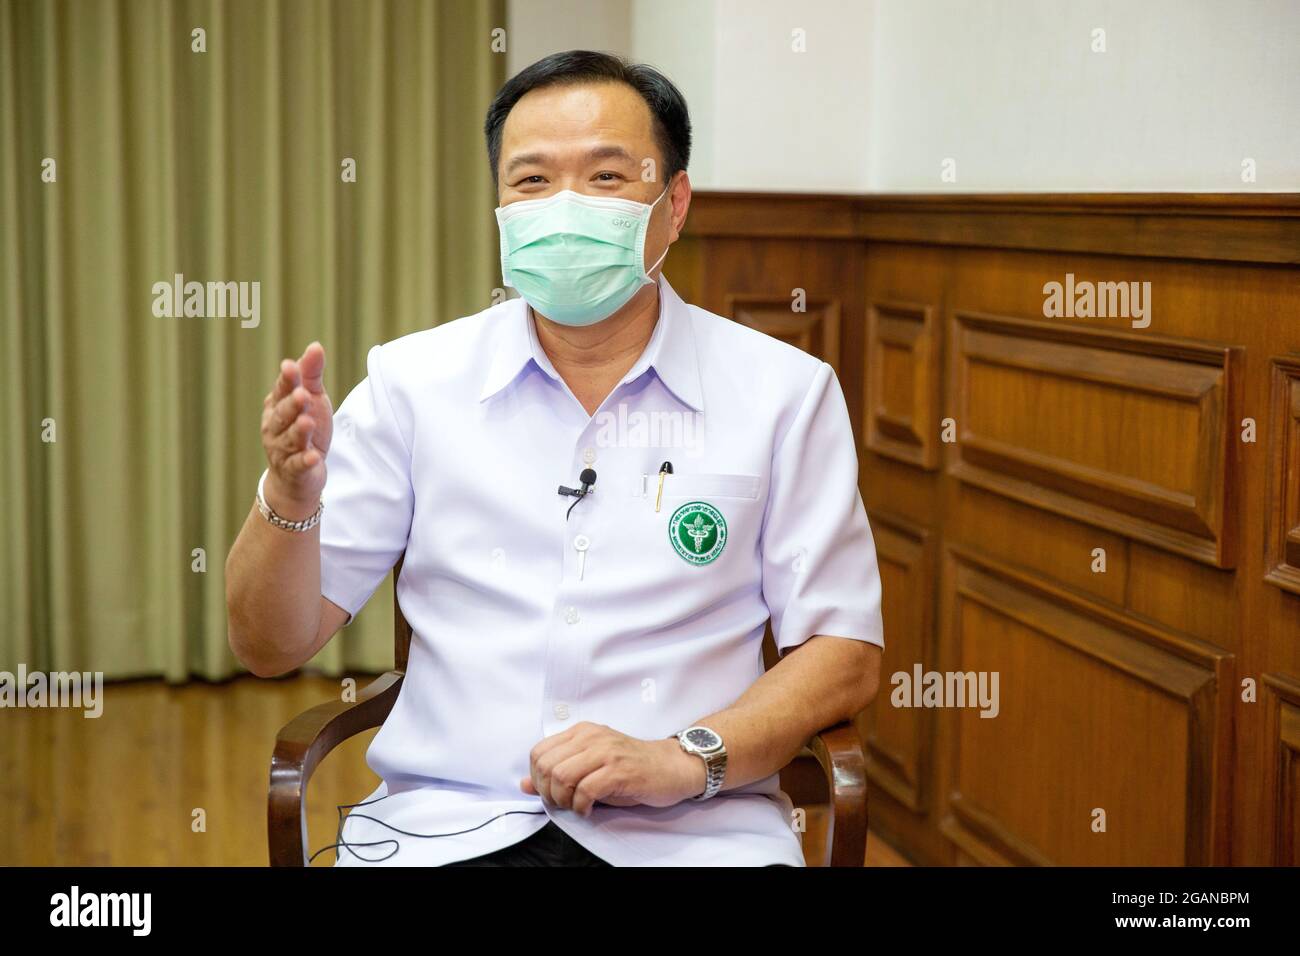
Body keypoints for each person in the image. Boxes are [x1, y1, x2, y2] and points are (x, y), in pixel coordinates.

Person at [225, 50, 884, 867]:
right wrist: (290, 494)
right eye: (531, 181)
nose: (565, 207)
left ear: (673, 205)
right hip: (446, 828)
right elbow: (268, 645)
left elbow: (843, 652)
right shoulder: (414, 382)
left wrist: (685, 758)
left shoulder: (785, 393)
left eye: (607, 177)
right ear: (499, 206)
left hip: (693, 836)